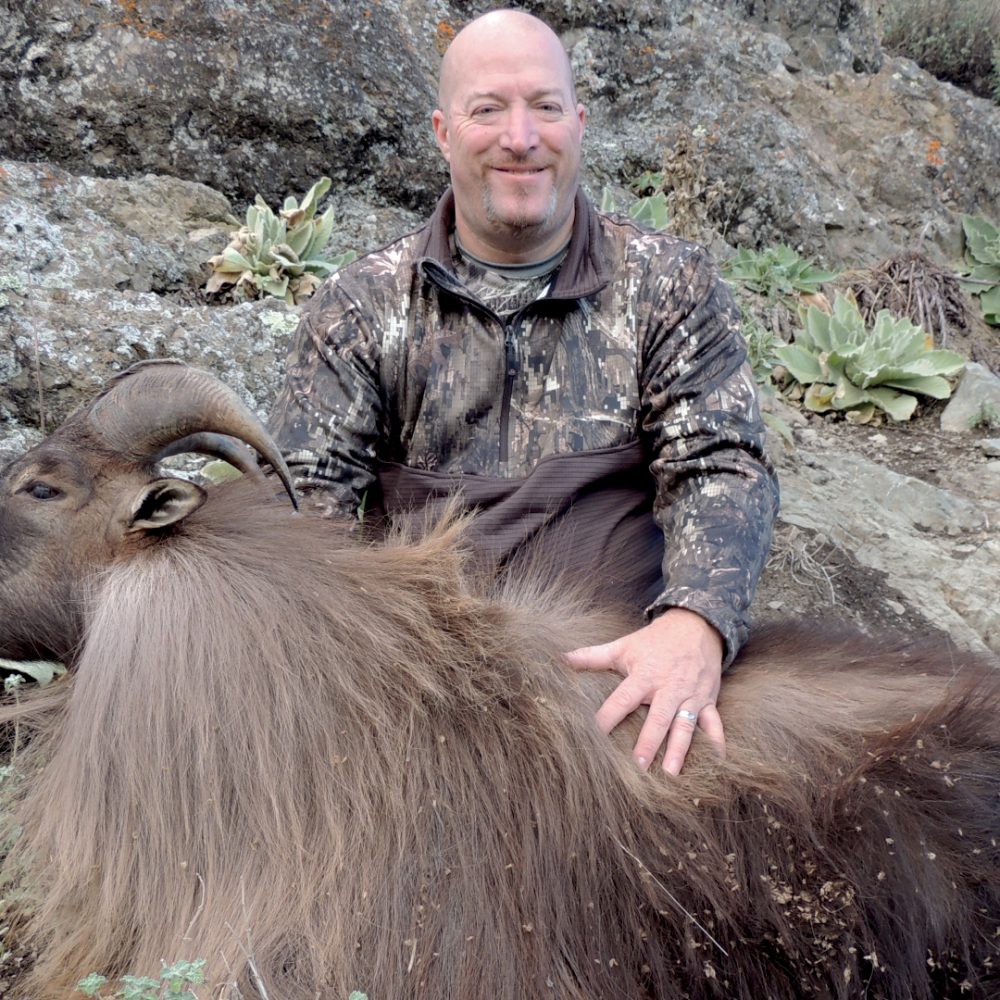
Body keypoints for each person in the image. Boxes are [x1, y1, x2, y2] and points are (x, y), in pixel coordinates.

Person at [268, 8, 779, 776]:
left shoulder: (669, 285)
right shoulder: (360, 307)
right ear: (443, 132)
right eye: (488, 110)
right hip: (422, 691)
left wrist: (694, 621)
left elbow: (722, 465)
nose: (520, 136)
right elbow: (307, 517)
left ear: (580, 122)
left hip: (616, 678)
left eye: (544, 106)